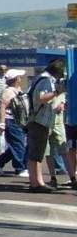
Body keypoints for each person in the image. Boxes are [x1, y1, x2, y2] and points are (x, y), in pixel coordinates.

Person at [25, 58, 72, 192]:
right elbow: (41, 97)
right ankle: (36, 183)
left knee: (36, 154)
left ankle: (36, 181)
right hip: (40, 120)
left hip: (37, 119)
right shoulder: (45, 80)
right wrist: (57, 92)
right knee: (37, 154)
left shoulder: (39, 78)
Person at [0, 69, 29, 177]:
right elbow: (3, 106)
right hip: (11, 120)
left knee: (17, 144)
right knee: (18, 144)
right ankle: (20, 168)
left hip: (18, 120)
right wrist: (2, 123)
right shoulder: (9, 91)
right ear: (16, 79)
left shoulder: (17, 90)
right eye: (19, 77)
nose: (21, 79)